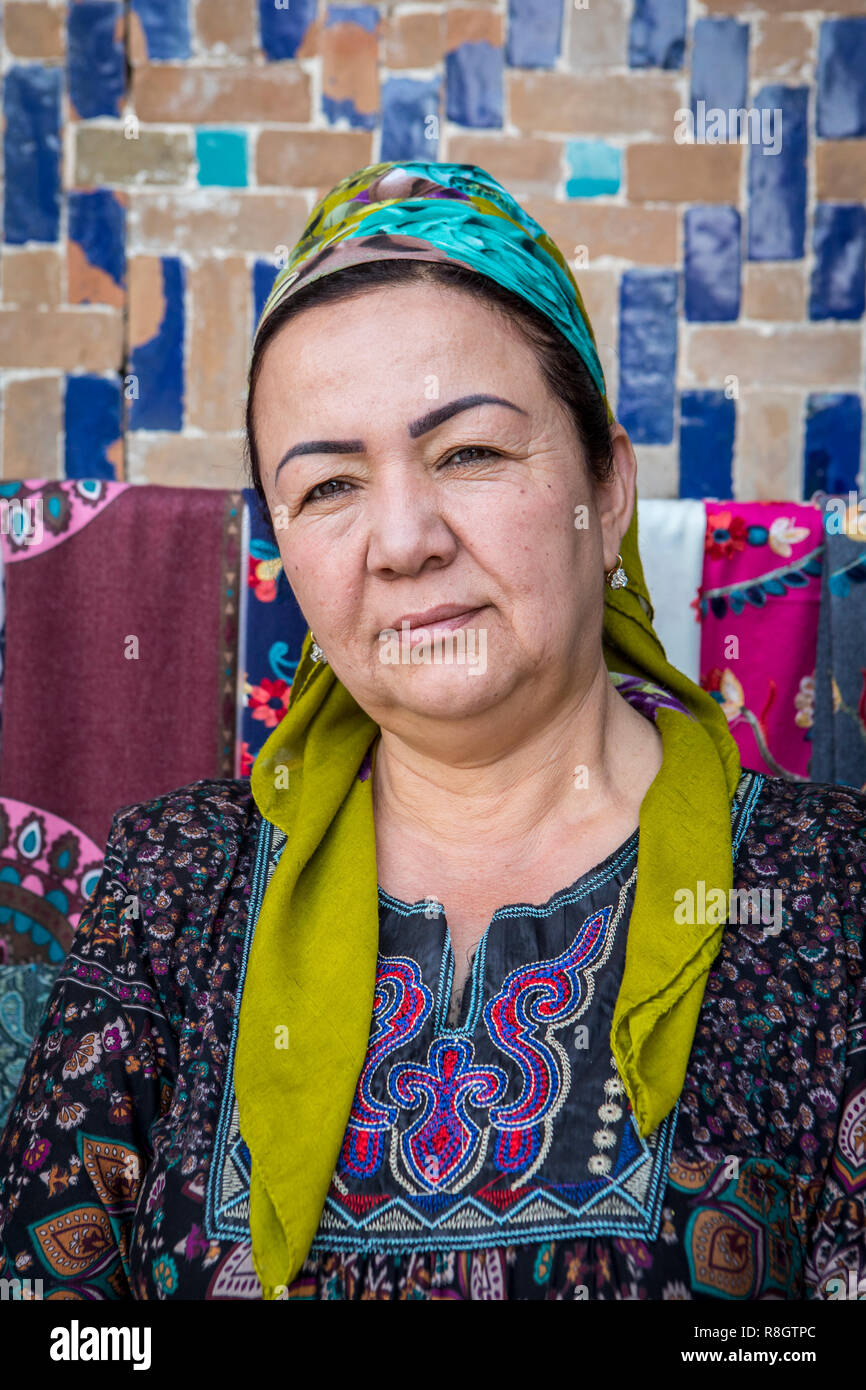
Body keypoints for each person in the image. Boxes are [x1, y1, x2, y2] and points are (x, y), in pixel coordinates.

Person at [0, 162, 863, 1302]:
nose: (404, 541)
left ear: (607, 486)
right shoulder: (174, 885)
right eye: (327, 487)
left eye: (468, 453)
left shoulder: (827, 892)